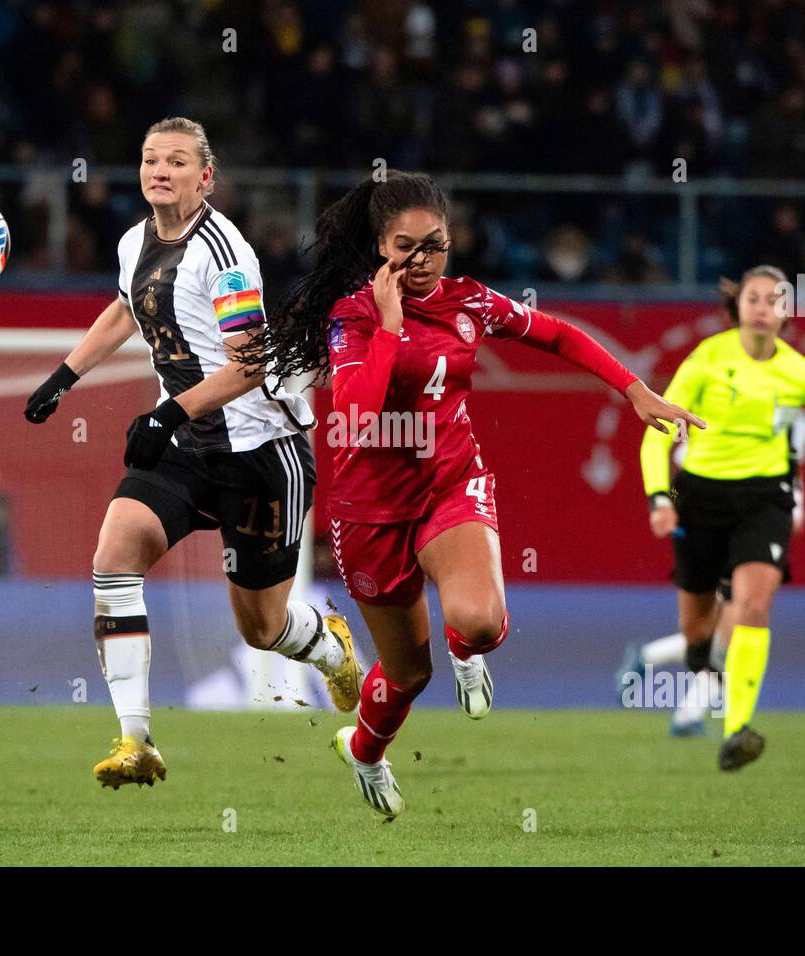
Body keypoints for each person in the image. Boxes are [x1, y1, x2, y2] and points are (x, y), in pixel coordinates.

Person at [244, 171, 703, 817]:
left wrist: (632, 388)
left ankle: (469, 651)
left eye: (435, 244)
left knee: (481, 621)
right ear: (381, 245)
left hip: (449, 485)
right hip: (369, 514)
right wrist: (392, 325)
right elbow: (359, 410)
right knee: (406, 674)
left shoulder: (471, 302)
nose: (422, 260)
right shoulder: (350, 315)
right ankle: (367, 753)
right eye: (407, 246)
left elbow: (556, 333)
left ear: (452, 241)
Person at [23, 117, 363, 791]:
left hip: (261, 451)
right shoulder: (133, 241)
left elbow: (247, 365)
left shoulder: (225, 252)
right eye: (150, 159)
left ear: (204, 177)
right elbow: (127, 307)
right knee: (114, 555)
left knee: (261, 629)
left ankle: (328, 645)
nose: (159, 171)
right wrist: (65, 375)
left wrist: (169, 409)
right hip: (184, 446)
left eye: (176, 162)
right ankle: (136, 739)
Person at [639, 265, 805, 771]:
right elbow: (658, 429)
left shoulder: (800, 372)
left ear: (785, 312)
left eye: (773, 299)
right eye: (753, 298)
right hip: (698, 497)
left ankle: (737, 727)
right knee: (696, 626)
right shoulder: (707, 360)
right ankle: (701, 665)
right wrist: (659, 498)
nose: (762, 307)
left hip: (766, 499)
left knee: (752, 605)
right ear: (738, 306)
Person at [618, 409, 805, 737]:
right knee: (725, 622)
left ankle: (683, 704)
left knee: (740, 618)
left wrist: (794, 503)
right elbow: (679, 454)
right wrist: (672, 503)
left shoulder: (798, 414)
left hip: (758, 518)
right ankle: (679, 699)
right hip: (710, 516)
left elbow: (790, 464)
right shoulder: (723, 397)